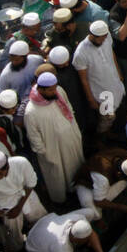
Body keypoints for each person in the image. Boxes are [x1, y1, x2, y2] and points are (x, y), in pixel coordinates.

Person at [23, 72, 84, 206]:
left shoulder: (58, 91)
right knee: (58, 175)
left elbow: (68, 106)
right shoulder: (31, 111)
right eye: (50, 90)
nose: (54, 91)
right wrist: (45, 153)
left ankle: (79, 188)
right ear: (41, 89)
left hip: (71, 139)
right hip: (53, 149)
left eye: (54, 88)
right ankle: (63, 200)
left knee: (76, 166)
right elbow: (34, 136)